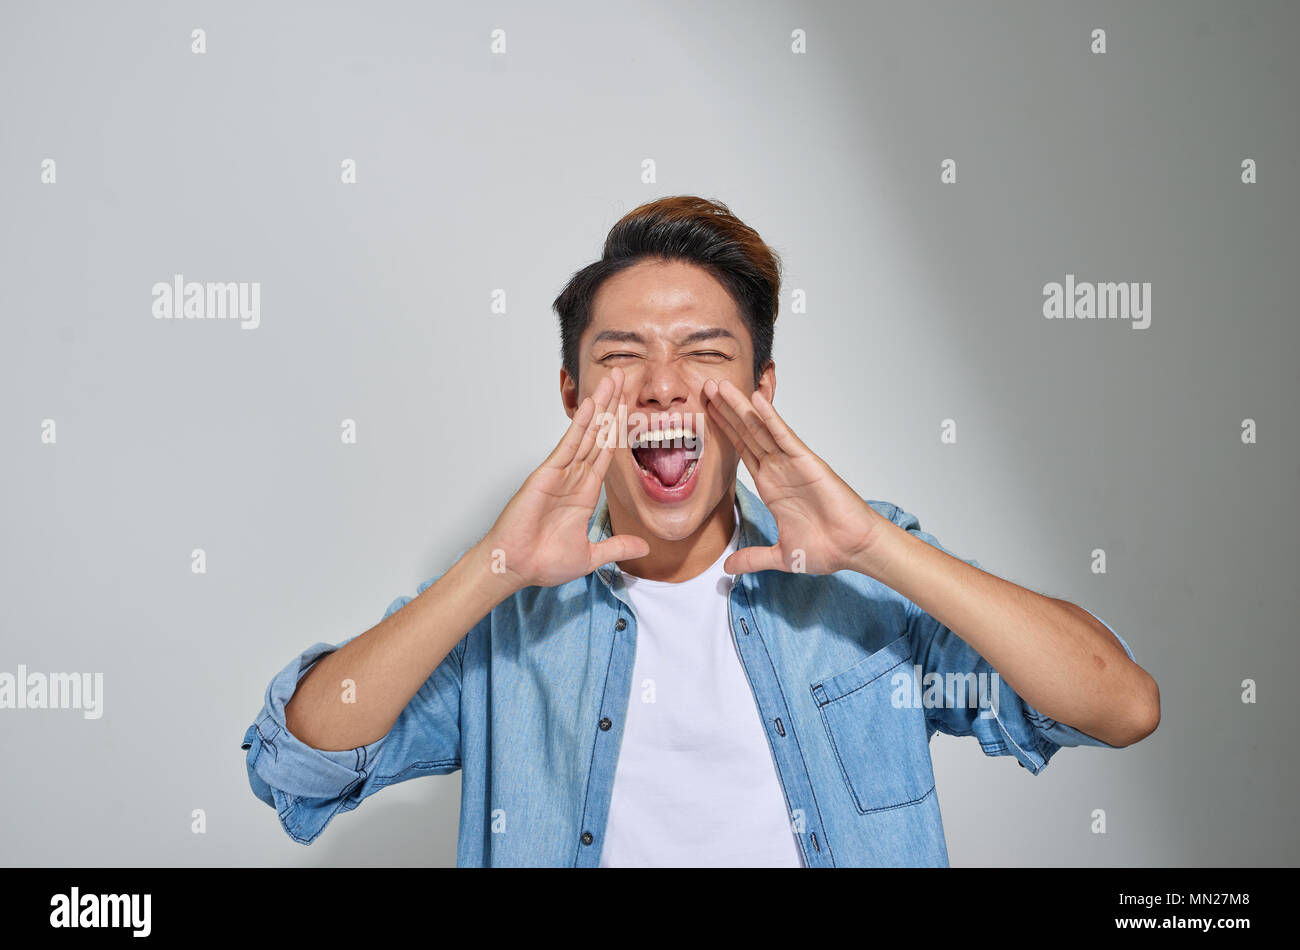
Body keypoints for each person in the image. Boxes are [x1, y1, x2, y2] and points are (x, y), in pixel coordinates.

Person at [240, 195, 1160, 866]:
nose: (664, 385)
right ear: (571, 393)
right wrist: (493, 568)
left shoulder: (866, 591)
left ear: (762, 389)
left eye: (706, 355)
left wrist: (880, 547)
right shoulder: (506, 623)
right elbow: (299, 761)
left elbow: (1117, 704)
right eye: (621, 357)